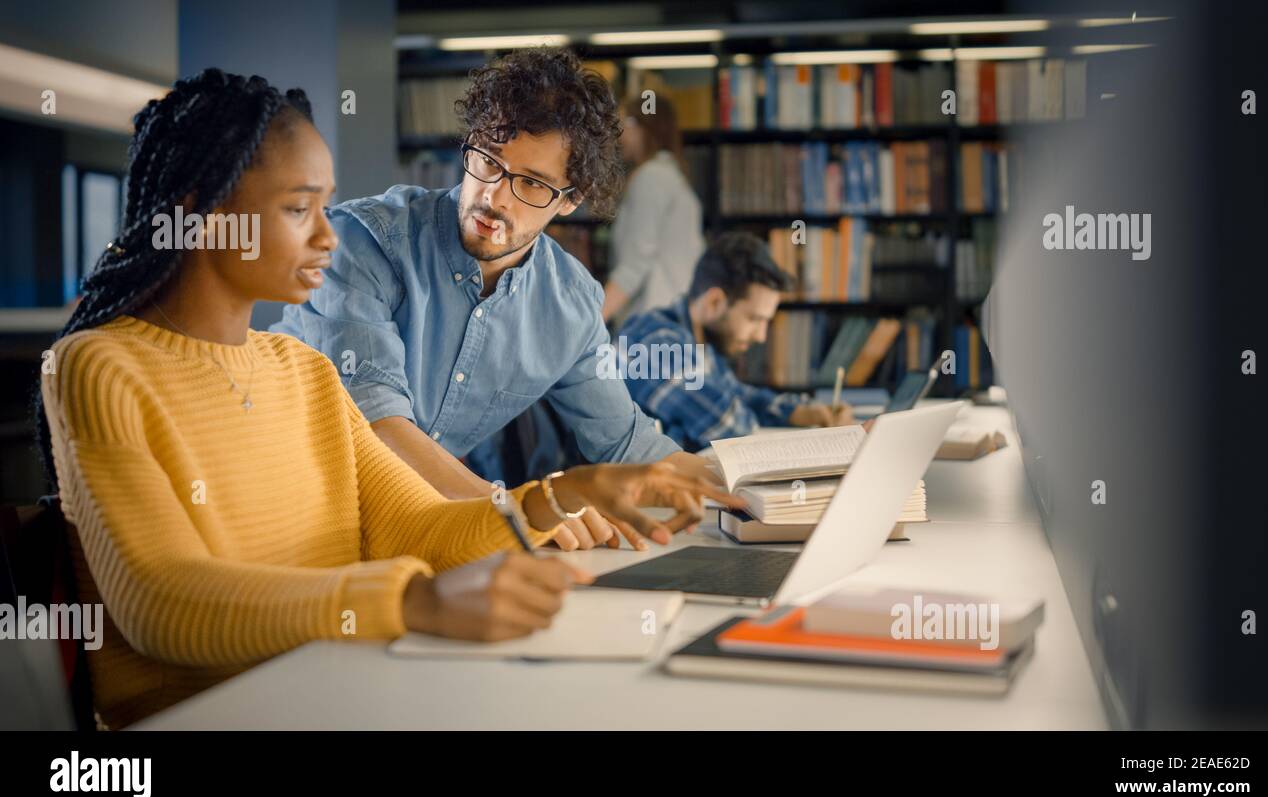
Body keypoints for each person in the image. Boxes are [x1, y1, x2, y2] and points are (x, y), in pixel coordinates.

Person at [34, 69, 739, 729]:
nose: (327, 234)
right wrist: (412, 600)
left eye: (323, 203)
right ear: (202, 213)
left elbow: (419, 529)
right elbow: (164, 601)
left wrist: (556, 494)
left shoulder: (302, 369)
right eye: (297, 208)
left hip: (340, 687)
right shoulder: (97, 367)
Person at [271, 48, 717, 552]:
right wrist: (522, 512)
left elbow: (626, 442)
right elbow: (380, 425)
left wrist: (747, 486)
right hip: (286, 509)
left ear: (571, 199)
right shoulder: (365, 239)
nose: (494, 197)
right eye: (487, 161)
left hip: (398, 528)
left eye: (530, 183)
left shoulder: (569, 303)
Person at [619, 232, 856, 453]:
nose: (761, 336)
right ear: (715, 302)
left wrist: (800, 412)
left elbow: (740, 396)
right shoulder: (656, 343)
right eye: (754, 319)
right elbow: (730, 426)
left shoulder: (701, 344)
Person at [600, 94, 704, 327]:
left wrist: (590, 323)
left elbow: (635, 264)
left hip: (651, 322)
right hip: (670, 320)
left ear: (643, 128)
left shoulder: (652, 178)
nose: (618, 136)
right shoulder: (670, 176)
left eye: (624, 123)